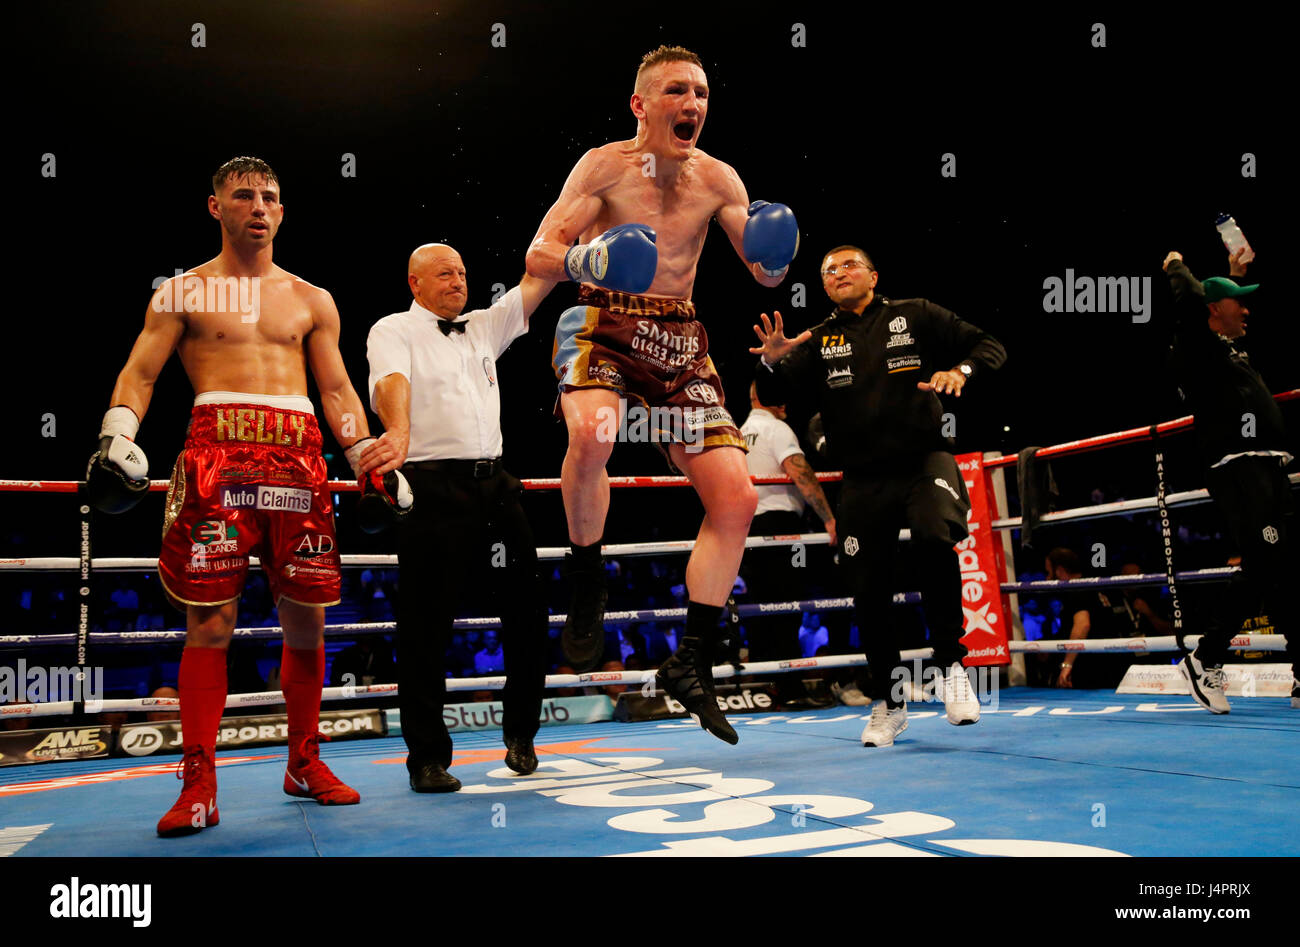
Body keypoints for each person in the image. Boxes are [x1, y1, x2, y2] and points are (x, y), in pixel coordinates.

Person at [87, 156, 392, 836]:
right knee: (212, 624)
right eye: (244, 195)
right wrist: (117, 434)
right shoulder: (182, 292)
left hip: (299, 458)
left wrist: (366, 456)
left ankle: (305, 761)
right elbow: (141, 372)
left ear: (283, 212)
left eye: (271, 197)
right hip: (217, 456)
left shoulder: (314, 298)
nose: (259, 206)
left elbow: (338, 391)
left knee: (308, 621)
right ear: (215, 206)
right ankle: (198, 779)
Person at [525, 45, 799, 745]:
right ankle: (588, 574)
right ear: (641, 105)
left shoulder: (719, 177)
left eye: (702, 92)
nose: (694, 103)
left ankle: (692, 659)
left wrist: (778, 252)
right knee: (593, 435)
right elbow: (539, 254)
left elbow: (765, 273)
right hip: (604, 318)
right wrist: (591, 255)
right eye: (677, 90)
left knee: (736, 497)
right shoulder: (603, 165)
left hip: (679, 336)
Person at [752, 244, 1007, 747]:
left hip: (924, 460)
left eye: (849, 265)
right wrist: (770, 363)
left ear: (872, 274)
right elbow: (773, 388)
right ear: (824, 287)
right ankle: (890, 702)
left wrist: (961, 372)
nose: (839, 273)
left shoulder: (916, 313)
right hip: (864, 478)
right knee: (867, 586)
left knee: (935, 538)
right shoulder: (819, 339)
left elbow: (989, 347)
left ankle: (952, 666)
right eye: (828, 270)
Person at [363, 243, 556, 789]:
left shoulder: (483, 327)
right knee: (426, 625)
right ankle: (427, 758)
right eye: (444, 273)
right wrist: (397, 431)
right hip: (431, 488)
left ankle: (521, 732)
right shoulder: (393, 329)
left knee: (528, 612)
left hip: (495, 486)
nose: (458, 280)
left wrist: (581, 237)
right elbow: (388, 383)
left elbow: (537, 280)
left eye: (463, 272)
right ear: (414, 282)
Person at [1162, 247, 1298, 712]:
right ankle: (1205, 657)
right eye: (1237, 301)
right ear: (1213, 311)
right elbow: (1191, 300)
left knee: (1281, 567)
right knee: (1265, 562)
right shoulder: (1196, 344)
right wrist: (1177, 264)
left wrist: (1236, 274)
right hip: (1239, 467)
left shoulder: (1230, 345)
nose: (1247, 309)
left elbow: (1221, 302)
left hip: (1269, 465)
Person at [740, 381, 837, 664]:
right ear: (759, 398)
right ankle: (788, 679)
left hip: (750, 527)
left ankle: (766, 678)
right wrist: (829, 519)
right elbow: (800, 472)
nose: (784, 403)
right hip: (780, 524)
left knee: (762, 604)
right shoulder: (776, 429)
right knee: (787, 600)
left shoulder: (740, 433)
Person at [1047, 548, 1138, 690]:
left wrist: (1067, 664)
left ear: (1059, 571)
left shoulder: (1077, 590)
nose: (1047, 578)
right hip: (1110, 661)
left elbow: (1083, 625)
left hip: (1093, 666)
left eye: (1048, 573)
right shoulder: (1092, 584)